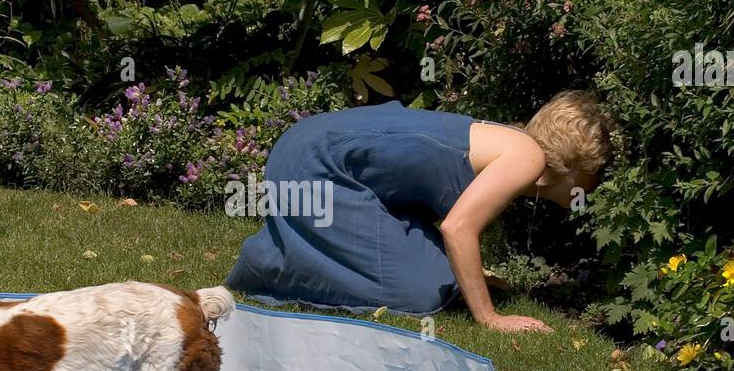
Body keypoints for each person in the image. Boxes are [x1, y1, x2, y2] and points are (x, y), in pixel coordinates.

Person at [225, 90, 614, 333]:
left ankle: (289, 244)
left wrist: (472, 279)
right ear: (576, 165)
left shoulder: (514, 145)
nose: (592, 187)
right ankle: (271, 263)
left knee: (442, 278)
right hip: (314, 164)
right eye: (594, 174)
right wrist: (490, 318)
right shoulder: (526, 156)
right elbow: (458, 228)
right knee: (420, 294)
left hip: (319, 153)